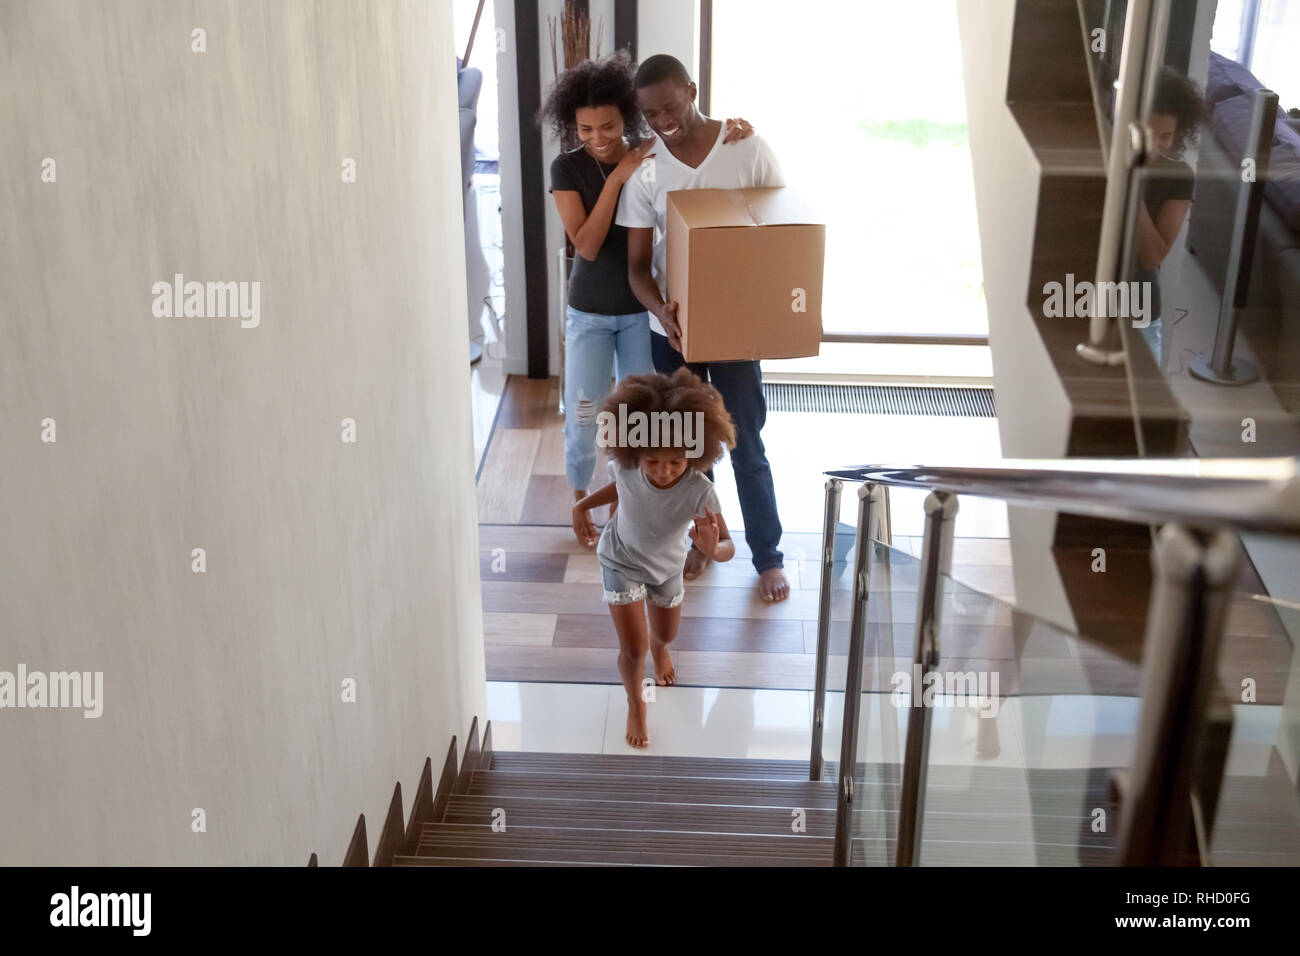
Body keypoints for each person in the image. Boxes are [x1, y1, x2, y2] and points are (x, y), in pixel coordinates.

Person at [540, 51, 755, 502]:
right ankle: (579, 500)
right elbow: (587, 246)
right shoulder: (568, 168)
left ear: (628, 119)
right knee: (583, 415)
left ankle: (633, 502)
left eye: (610, 126)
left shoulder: (651, 152)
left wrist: (733, 129)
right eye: (585, 129)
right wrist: (617, 178)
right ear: (572, 127)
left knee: (642, 421)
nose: (598, 137)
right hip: (590, 313)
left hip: (643, 312)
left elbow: (697, 147)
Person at [616, 53, 791, 603]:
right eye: (650, 113)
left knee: (745, 441)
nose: (662, 120)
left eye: (670, 106)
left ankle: (767, 556)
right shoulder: (646, 169)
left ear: (692, 91)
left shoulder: (746, 147)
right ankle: (700, 542)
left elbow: (783, 231)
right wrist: (662, 310)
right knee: (686, 445)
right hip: (672, 327)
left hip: (735, 323)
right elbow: (637, 269)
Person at [571, 368, 736, 748]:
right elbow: (621, 485)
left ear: (695, 455)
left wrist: (711, 550)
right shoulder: (629, 466)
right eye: (652, 461)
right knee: (633, 648)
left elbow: (728, 546)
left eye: (675, 462)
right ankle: (635, 704)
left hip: (667, 567)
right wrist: (582, 505)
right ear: (635, 452)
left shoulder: (700, 490)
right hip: (621, 559)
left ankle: (661, 651)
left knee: (664, 635)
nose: (663, 472)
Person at [1133, 69, 1205, 365]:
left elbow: (1151, 257)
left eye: (1166, 136)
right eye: (1148, 135)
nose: (1155, 146)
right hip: (1082, 299)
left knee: (1144, 405)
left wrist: (1127, 188)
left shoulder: (1178, 177)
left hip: (1140, 306)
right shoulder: (1099, 158)